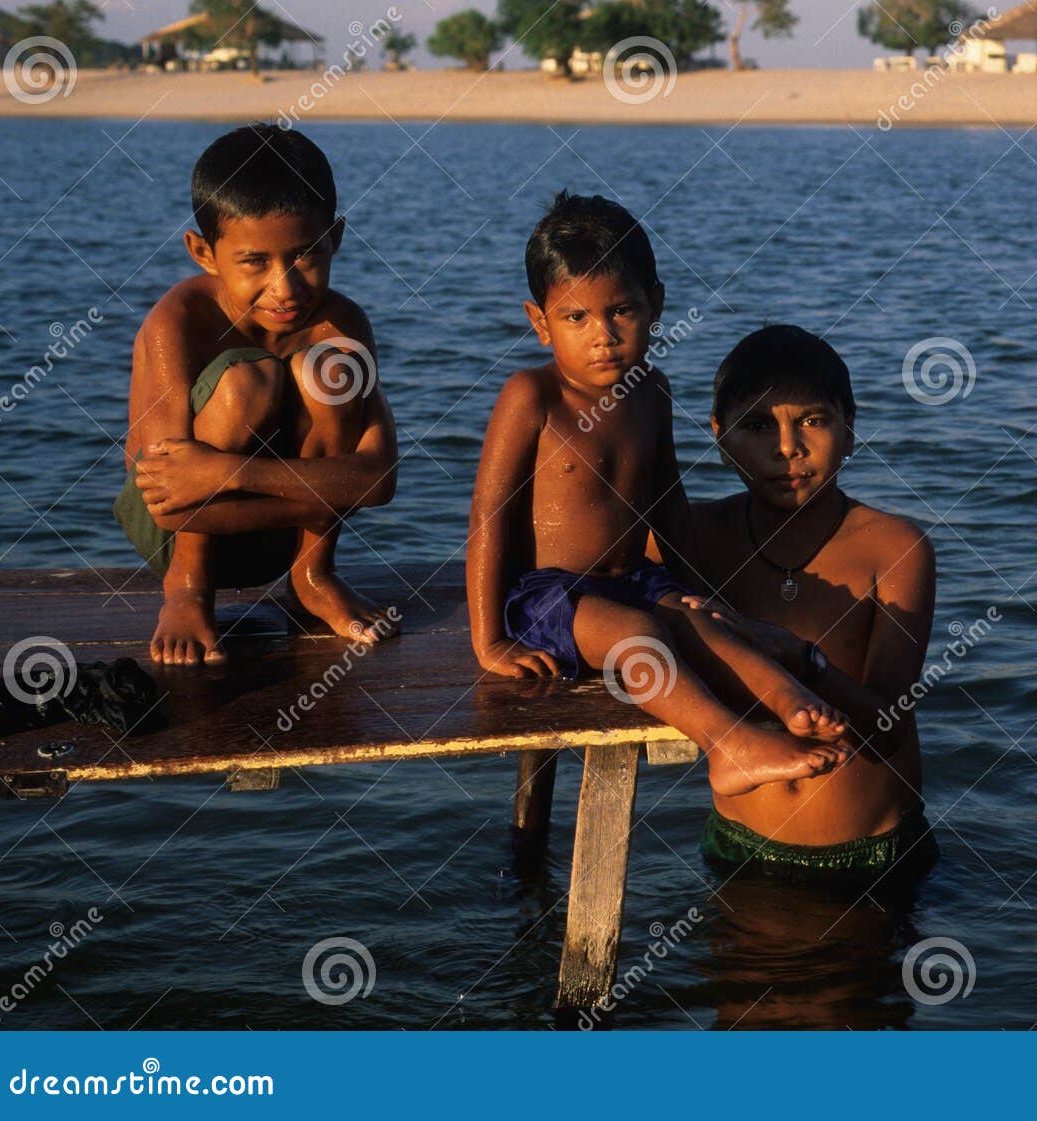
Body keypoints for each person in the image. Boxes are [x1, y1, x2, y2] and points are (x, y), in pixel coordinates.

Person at [466, 194, 852, 797]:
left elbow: (667, 496)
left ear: (656, 307)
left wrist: (697, 588)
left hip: (634, 581)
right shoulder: (531, 397)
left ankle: (791, 700)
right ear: (540, 323)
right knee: (636, 635)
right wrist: (489, 638)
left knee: (707, 626)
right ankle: (727, 744)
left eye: (621, 311)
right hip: (549, 596)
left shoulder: (652, 389)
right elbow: (489, 515)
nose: (604, 337)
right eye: (576, 319)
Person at [116, 124, 399, 665]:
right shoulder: (178, 321)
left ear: (335, 238)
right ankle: (188, 587)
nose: (285, 287)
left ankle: (314, 574)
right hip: (177, 534)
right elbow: (168, 502)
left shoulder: (341, 327)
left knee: (328, 369)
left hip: (263, 523)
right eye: (254, 262)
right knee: (246, 383)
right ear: (203, 251)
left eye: (305, 256)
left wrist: (229, 475)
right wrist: (329, 487)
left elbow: (380, 482)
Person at [679, 325, 937, 881]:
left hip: (869, 860)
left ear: (850, 430)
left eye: (813, 422)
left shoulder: (893, 547)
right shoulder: (693, 537)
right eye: (756, 426)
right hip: (739, 849)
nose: (787, 447)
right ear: (720, 439)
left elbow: (888, 727)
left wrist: (801, 660)